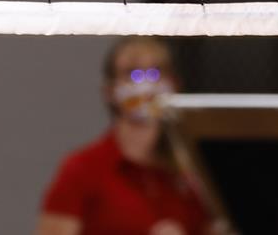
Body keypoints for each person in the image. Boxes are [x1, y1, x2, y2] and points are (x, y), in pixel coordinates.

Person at [36, 37, 212, 235]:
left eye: (156, 72)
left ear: (174, 85)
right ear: (110, 91)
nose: (145, 84)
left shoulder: (192, 175)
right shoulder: (81, 170)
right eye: (132, 73)